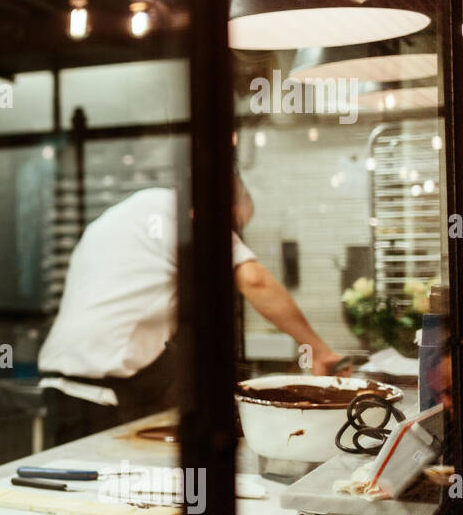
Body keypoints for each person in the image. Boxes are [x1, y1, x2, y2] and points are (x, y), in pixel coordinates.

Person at [38, 174, 344, 443]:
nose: (233, 237)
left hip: (62, 392)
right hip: (99, 402)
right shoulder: (185, 216)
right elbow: (255, 281)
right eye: (236, 227)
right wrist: (318, 349)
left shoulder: (129, 213)